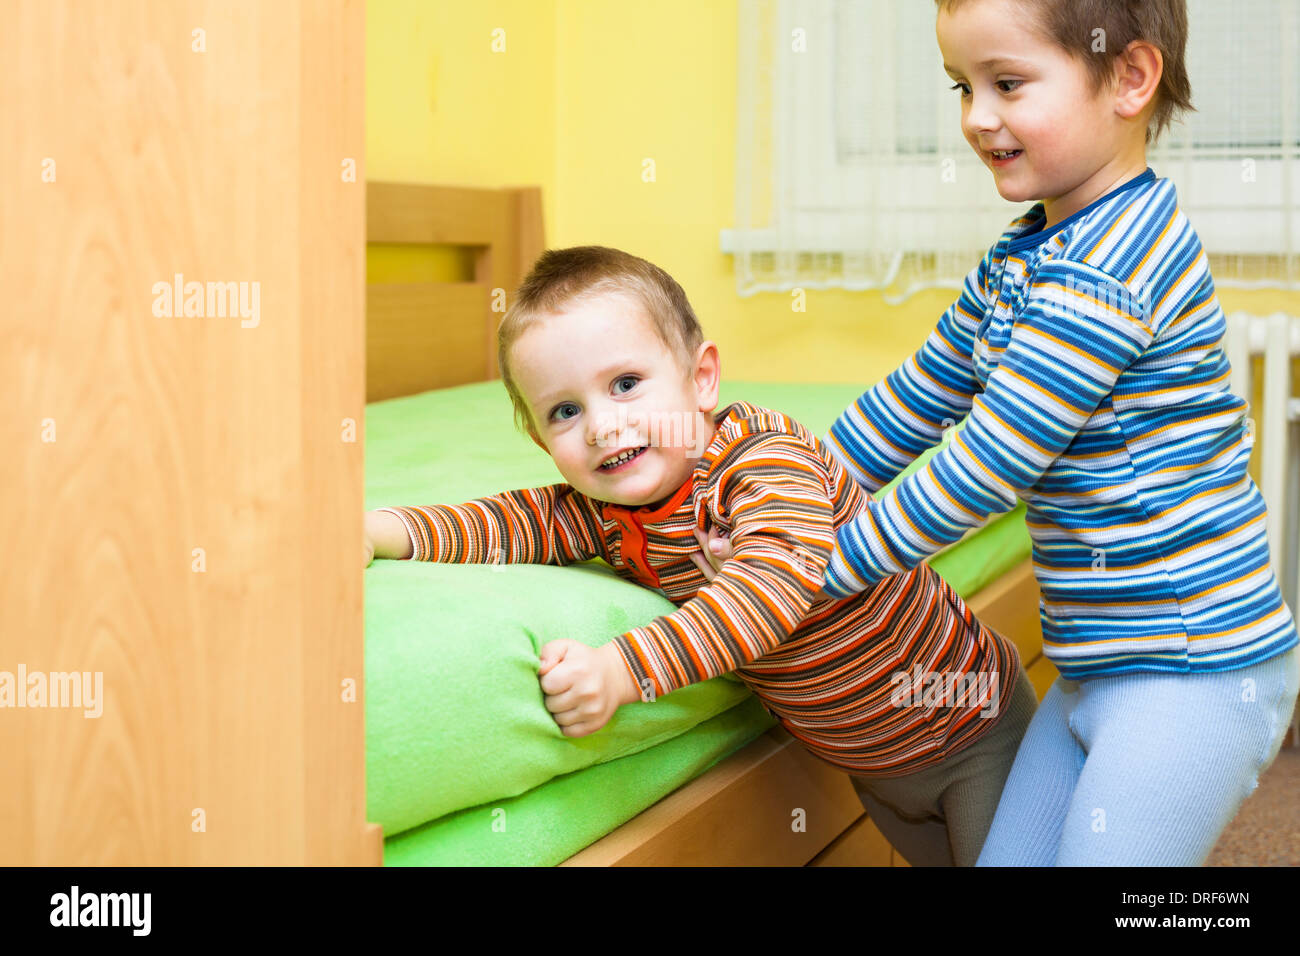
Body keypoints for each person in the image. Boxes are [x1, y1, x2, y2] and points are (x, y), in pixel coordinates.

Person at [812, 0, 1299, 865]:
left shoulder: (1113, 265)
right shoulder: (1021, 255)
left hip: (1195, 672)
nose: (976, 117)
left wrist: (819, 569)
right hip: (1089, 669)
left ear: (1130, 77)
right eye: (963, 86)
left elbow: (987, 463)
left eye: (1007, 83)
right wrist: (788, 481)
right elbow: (915, 400)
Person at [365, 245, 1036, 865]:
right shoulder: (610, 508)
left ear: (701, 379)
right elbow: (507, 523)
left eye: (626, 383)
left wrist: (621, 671)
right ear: (542, 442)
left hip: (971, 734)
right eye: (564, 411)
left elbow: (766, 595)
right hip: (870, 765)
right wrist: (382, 528)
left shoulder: (763, 460)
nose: (603, 424)